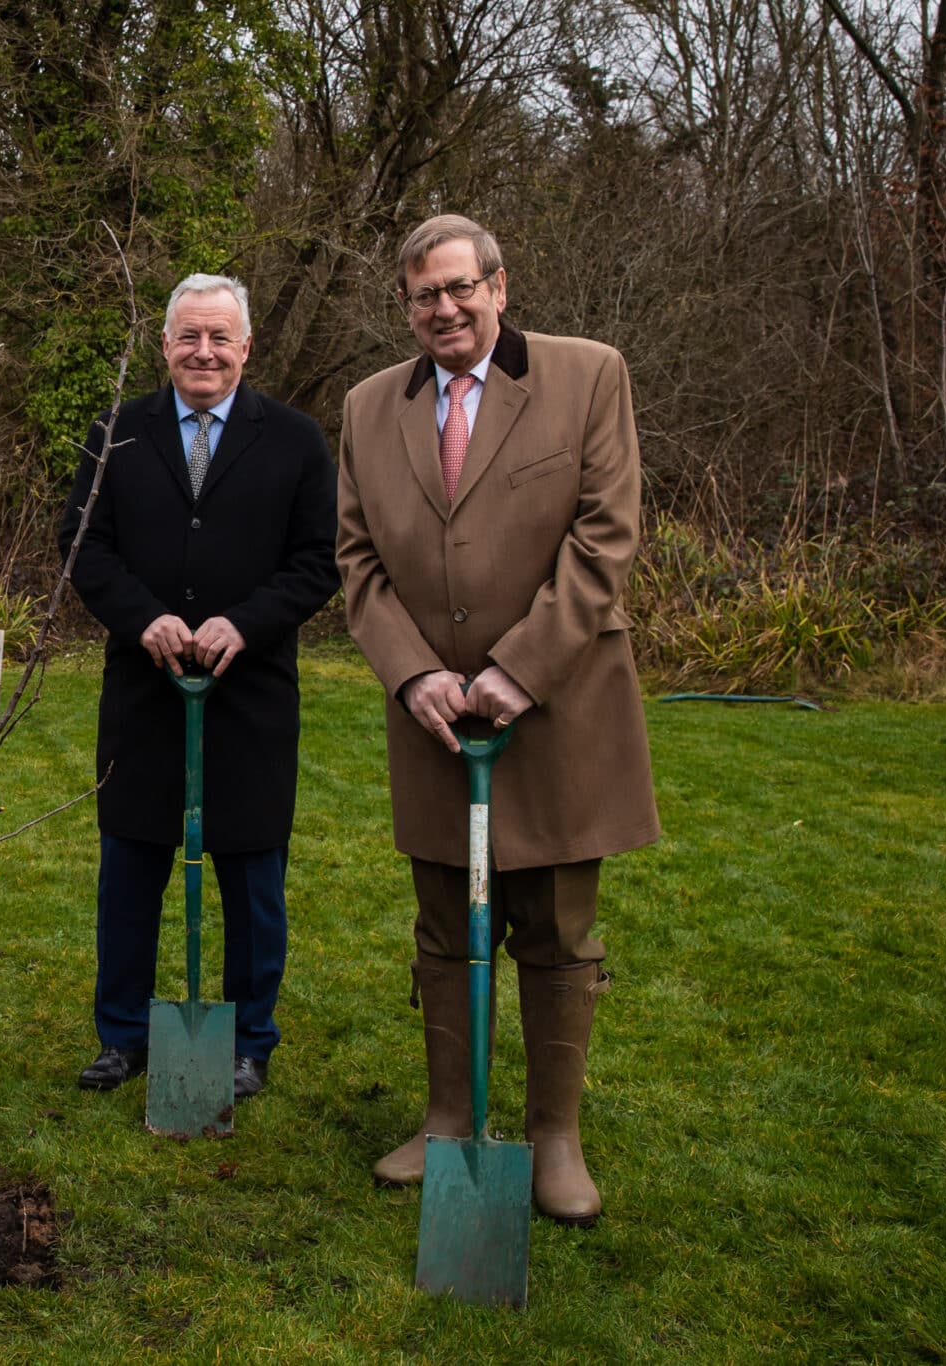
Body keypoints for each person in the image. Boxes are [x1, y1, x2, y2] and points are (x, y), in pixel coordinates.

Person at [335, 215, 660, 1223]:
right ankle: (446, 1116)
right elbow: (356, 559)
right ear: (405, 306)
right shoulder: (365, 407)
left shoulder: (584, 376)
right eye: (422, 295)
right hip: (434, 722)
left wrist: (521, 668)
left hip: (557, 713)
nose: (443, 308)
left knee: (554, 928)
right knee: (443, 920)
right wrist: (411, 674)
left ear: (498, 286)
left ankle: (552, 1137)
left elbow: (606, 534)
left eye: (458, 288)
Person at [58, 273, 339, 1102]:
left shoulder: (293, 440)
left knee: (253, 875)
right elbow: (83, 541)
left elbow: (318, 560)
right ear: (166, 346)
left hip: (250, 696)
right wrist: (141, 618)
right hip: (144, 694)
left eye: (220, 338)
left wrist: (245, 623)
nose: (204, 352)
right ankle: (123, 1035)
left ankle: (251, 1040)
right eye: (189, 336)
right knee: (131, 868)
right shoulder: (120, 433)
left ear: (247, 348)